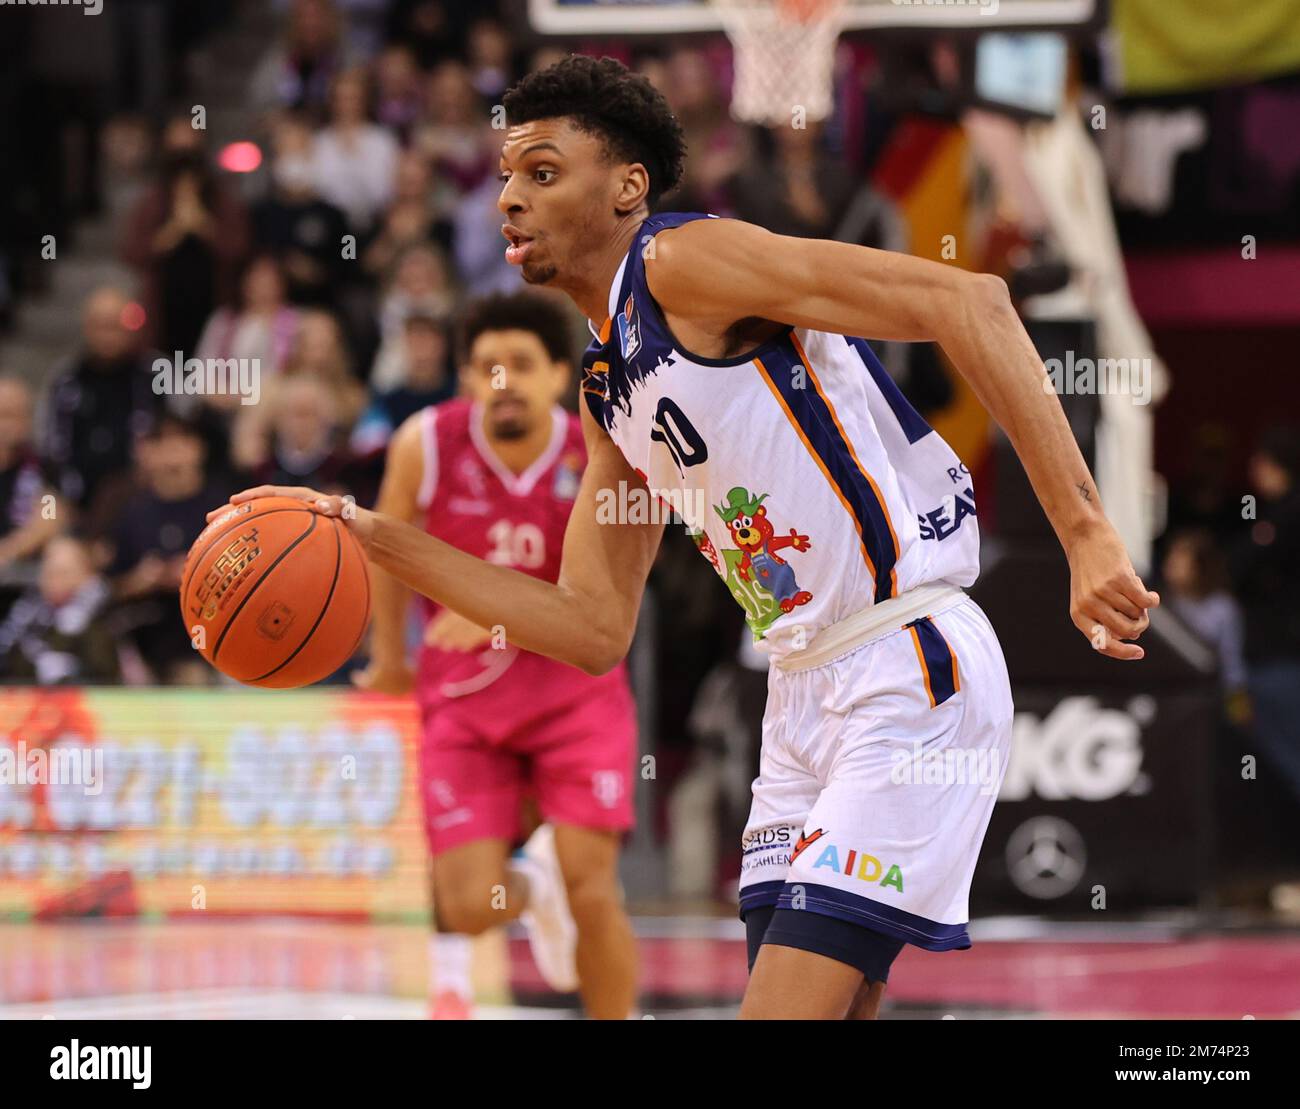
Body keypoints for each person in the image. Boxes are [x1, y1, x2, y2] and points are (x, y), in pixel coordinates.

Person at [213, 55, 1159, 1020]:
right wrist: (370, 534)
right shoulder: (605, 387)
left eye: (542, 172)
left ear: (626, 187)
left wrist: (1086, 532)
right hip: (797, 697)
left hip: (903, 663)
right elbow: (589, 625)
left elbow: (972, 302)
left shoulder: (681, 263)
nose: (510, 197)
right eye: (505, 176)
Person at [353, 292, 638, 1019]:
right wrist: (391, 658)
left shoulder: (598, 450)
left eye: (520, 364)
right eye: (486, 368)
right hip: (464, 702)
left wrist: (495, 611)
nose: (502, 381)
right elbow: (386, 551)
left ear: (555, 377)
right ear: (466, 379)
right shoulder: (425, 442)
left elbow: (618, 581)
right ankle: (529, 888)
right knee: (470, 906)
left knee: (593, 883)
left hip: (573, 692)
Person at [0, 535, 119, 685]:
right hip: (29, 697)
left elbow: (104, 670)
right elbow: (7, 657)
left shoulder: (103, 612)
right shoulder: (28, 611)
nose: (55, 581)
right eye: (49, 573)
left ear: (85, 575)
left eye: (63, 573)